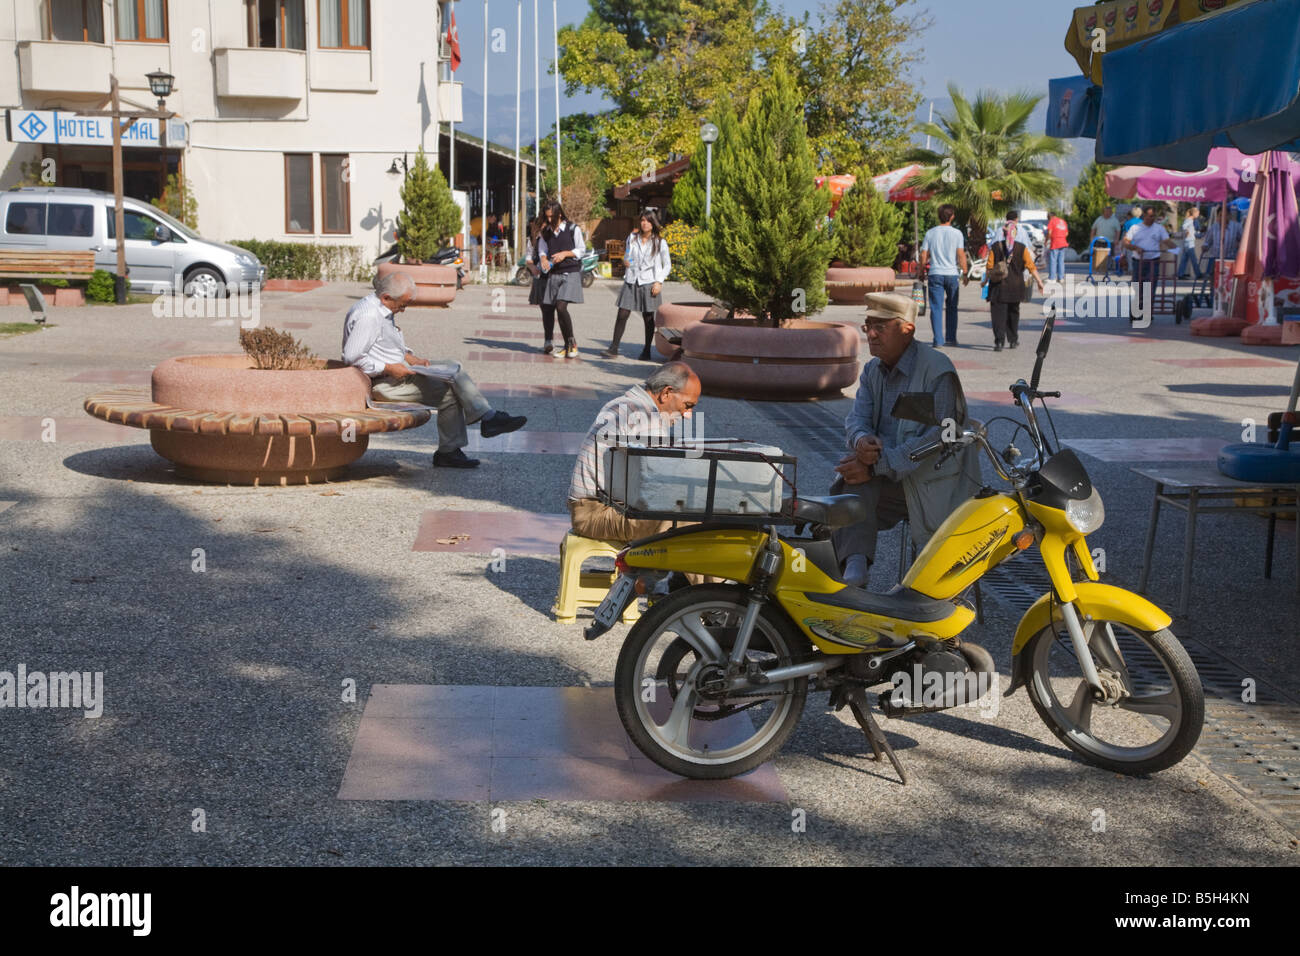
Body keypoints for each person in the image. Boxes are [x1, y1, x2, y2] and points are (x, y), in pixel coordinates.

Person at [830, 293, 982, 587]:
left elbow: (939, 438)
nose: (871, 334)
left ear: (907, 329)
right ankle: (855, 567)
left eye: (880, 326)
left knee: (857, 481)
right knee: (848, 484)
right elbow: (856, 419)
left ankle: (855, 567)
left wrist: (878, 466)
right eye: (867, 325)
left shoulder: (937, 370)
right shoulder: (873, 370)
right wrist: (861, 441)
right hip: (890, 479)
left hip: (935, 482)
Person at [342, 271, 527, 468]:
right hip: (383, 383)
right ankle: (461, 441)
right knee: (449, 393)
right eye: (402, 305)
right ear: (386, 297)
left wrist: (410, 358)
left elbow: (382, 345)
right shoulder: (369, 316)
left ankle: (485, 420)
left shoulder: (380, 308)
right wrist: (389, 367)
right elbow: (352, 357)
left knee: (453, 367)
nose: (403, 310)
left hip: (398, 372)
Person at [567, 361, 701, 544]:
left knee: (684, 516)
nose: (688, 414)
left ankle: (647, 572)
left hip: (590, 508)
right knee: (691, 525)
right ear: (666, 393)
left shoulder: (625, 404)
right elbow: (658, 487)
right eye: (688, 405)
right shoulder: (647, 418)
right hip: (595, 512)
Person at [603, 210, 671, 361]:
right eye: (642, 220)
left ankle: (646, 350)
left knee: (648, 317)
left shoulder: (660, 242)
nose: (644, 223)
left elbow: (667, 265)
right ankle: (613, 348)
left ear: (653, 224)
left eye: (647, 221)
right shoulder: (632, 238)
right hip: (631, 280)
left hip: (649, 282)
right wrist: (625, 260)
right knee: (622, 313)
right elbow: (627, 254)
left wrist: (659, 281)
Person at [537, 200, 588, 359]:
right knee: (552, 308)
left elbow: (581, 250)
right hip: (554, 273)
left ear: (559, 214)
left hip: (571, 272)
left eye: (551, 217)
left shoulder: (573, 229)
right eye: (546, 217)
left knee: (561, 307)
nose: (549, 220)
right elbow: (542, 249)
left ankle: (571, 344)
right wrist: (544, 258)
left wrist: (565, 253)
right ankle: (567, 346)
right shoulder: (546, 232)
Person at [986, 216, 1045, 351]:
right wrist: (1040, 282)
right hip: (1016, 288)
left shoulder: (995, 246)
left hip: (998, 288)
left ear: (1004, 232)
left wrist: (984, 281)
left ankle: (999, 342)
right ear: (1015, 233)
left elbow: (989, 266)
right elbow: (1031, 266)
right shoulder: (1022, 248)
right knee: (1013, 314)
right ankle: (1013, 340)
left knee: (998, 315)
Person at [918, 204, 969, 347]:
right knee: (952, 307)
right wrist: (965, 273)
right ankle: (951, 338)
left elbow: (923, 255)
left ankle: (938, 340)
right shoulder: (957, 233)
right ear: (952, 216)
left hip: (935, 273)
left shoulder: (930, 233)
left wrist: (921, 272)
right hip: (952, 274)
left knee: (936, 308)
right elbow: (960, 255)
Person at [1123, 204, 1177, 313]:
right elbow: (1126, 242)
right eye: (1148, 216)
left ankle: (1148, 310)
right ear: (1144, 215)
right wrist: (1135, 247)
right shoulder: (1135, 228)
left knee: (1151, 286)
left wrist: (1176, 249)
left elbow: (1166, 241)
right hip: (1139, 261)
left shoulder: (1159, 228)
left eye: (1153, 216)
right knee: (1138, 285)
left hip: (1153, 261)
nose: (1150, 218)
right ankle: (1139, 306)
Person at [524, 215, 556, 354]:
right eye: (541, 225)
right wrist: (533, 268)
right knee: (546, 310)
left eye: (545, 225)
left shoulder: (554, 238)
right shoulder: (533, 240)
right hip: (541, 277)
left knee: (558, 308)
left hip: (556, 275)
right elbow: (528, 259)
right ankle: (548, 340)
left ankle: (566, 341)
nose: (544, 228)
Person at [1176, 206, 1205, 280]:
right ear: (1194, 213)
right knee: (1193, 259)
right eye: (1197, 213)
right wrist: (1187, 231)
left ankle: (1180, 273)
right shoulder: (1189, 220)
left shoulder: (1191, 220)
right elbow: (1184, 227)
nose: (1198, 215)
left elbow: (1193, 232)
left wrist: (1200, 234)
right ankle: (1198, 274)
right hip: (1189, 242)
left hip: (1188, 241)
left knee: (1184, 259)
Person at [1046, 211, 1070, 282]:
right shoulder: (1063, 221)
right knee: (1061, 261)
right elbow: (1066, 233)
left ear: (1050, 217)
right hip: (1063, 242)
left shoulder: (1052, 221)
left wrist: (1046, 240)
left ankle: (1052, 278)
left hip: (1055, 243)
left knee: (1053, 260)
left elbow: (1049, 232)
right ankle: (1061, 278)